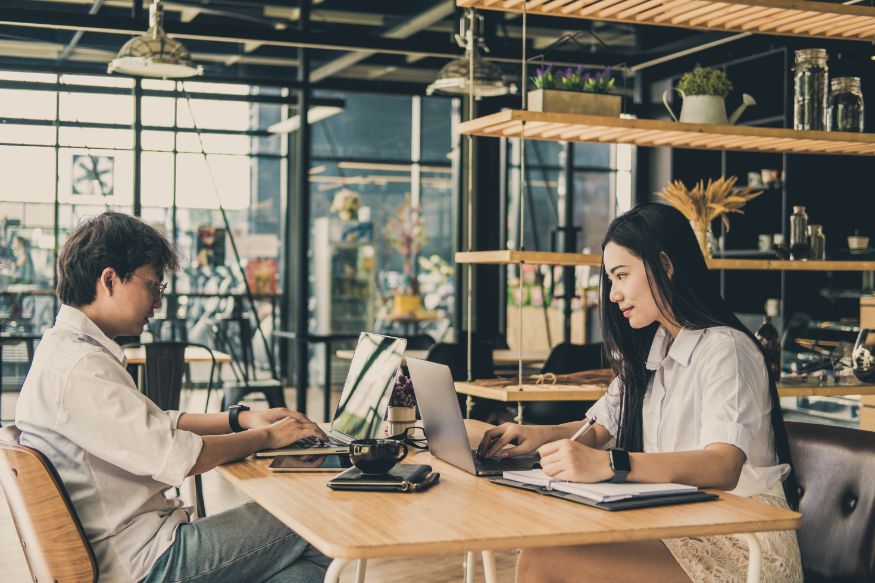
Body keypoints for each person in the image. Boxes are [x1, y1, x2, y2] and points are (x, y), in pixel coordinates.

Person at [479, 203, 803, 583]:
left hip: (741, 540)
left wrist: (609, 465)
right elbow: (599, 429)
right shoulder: (656, 347)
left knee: (545, 557)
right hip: (677, 522)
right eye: (611, 280)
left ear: (665, 266)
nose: (614, 294)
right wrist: (537, 435)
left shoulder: (725, 349)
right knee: (544, 541)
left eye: (621, 276)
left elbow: (723, 465)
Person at [15, 211, 331, 583]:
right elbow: (184, 455)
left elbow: (157, 422)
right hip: (145, 560)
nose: (158, 302)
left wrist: (241, 419)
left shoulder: (66, 351)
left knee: (302, 569)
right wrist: (267, 437)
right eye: (153, 286)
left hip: (138, 545)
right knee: (313, 517)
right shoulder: (82, 367)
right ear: (110, 279)